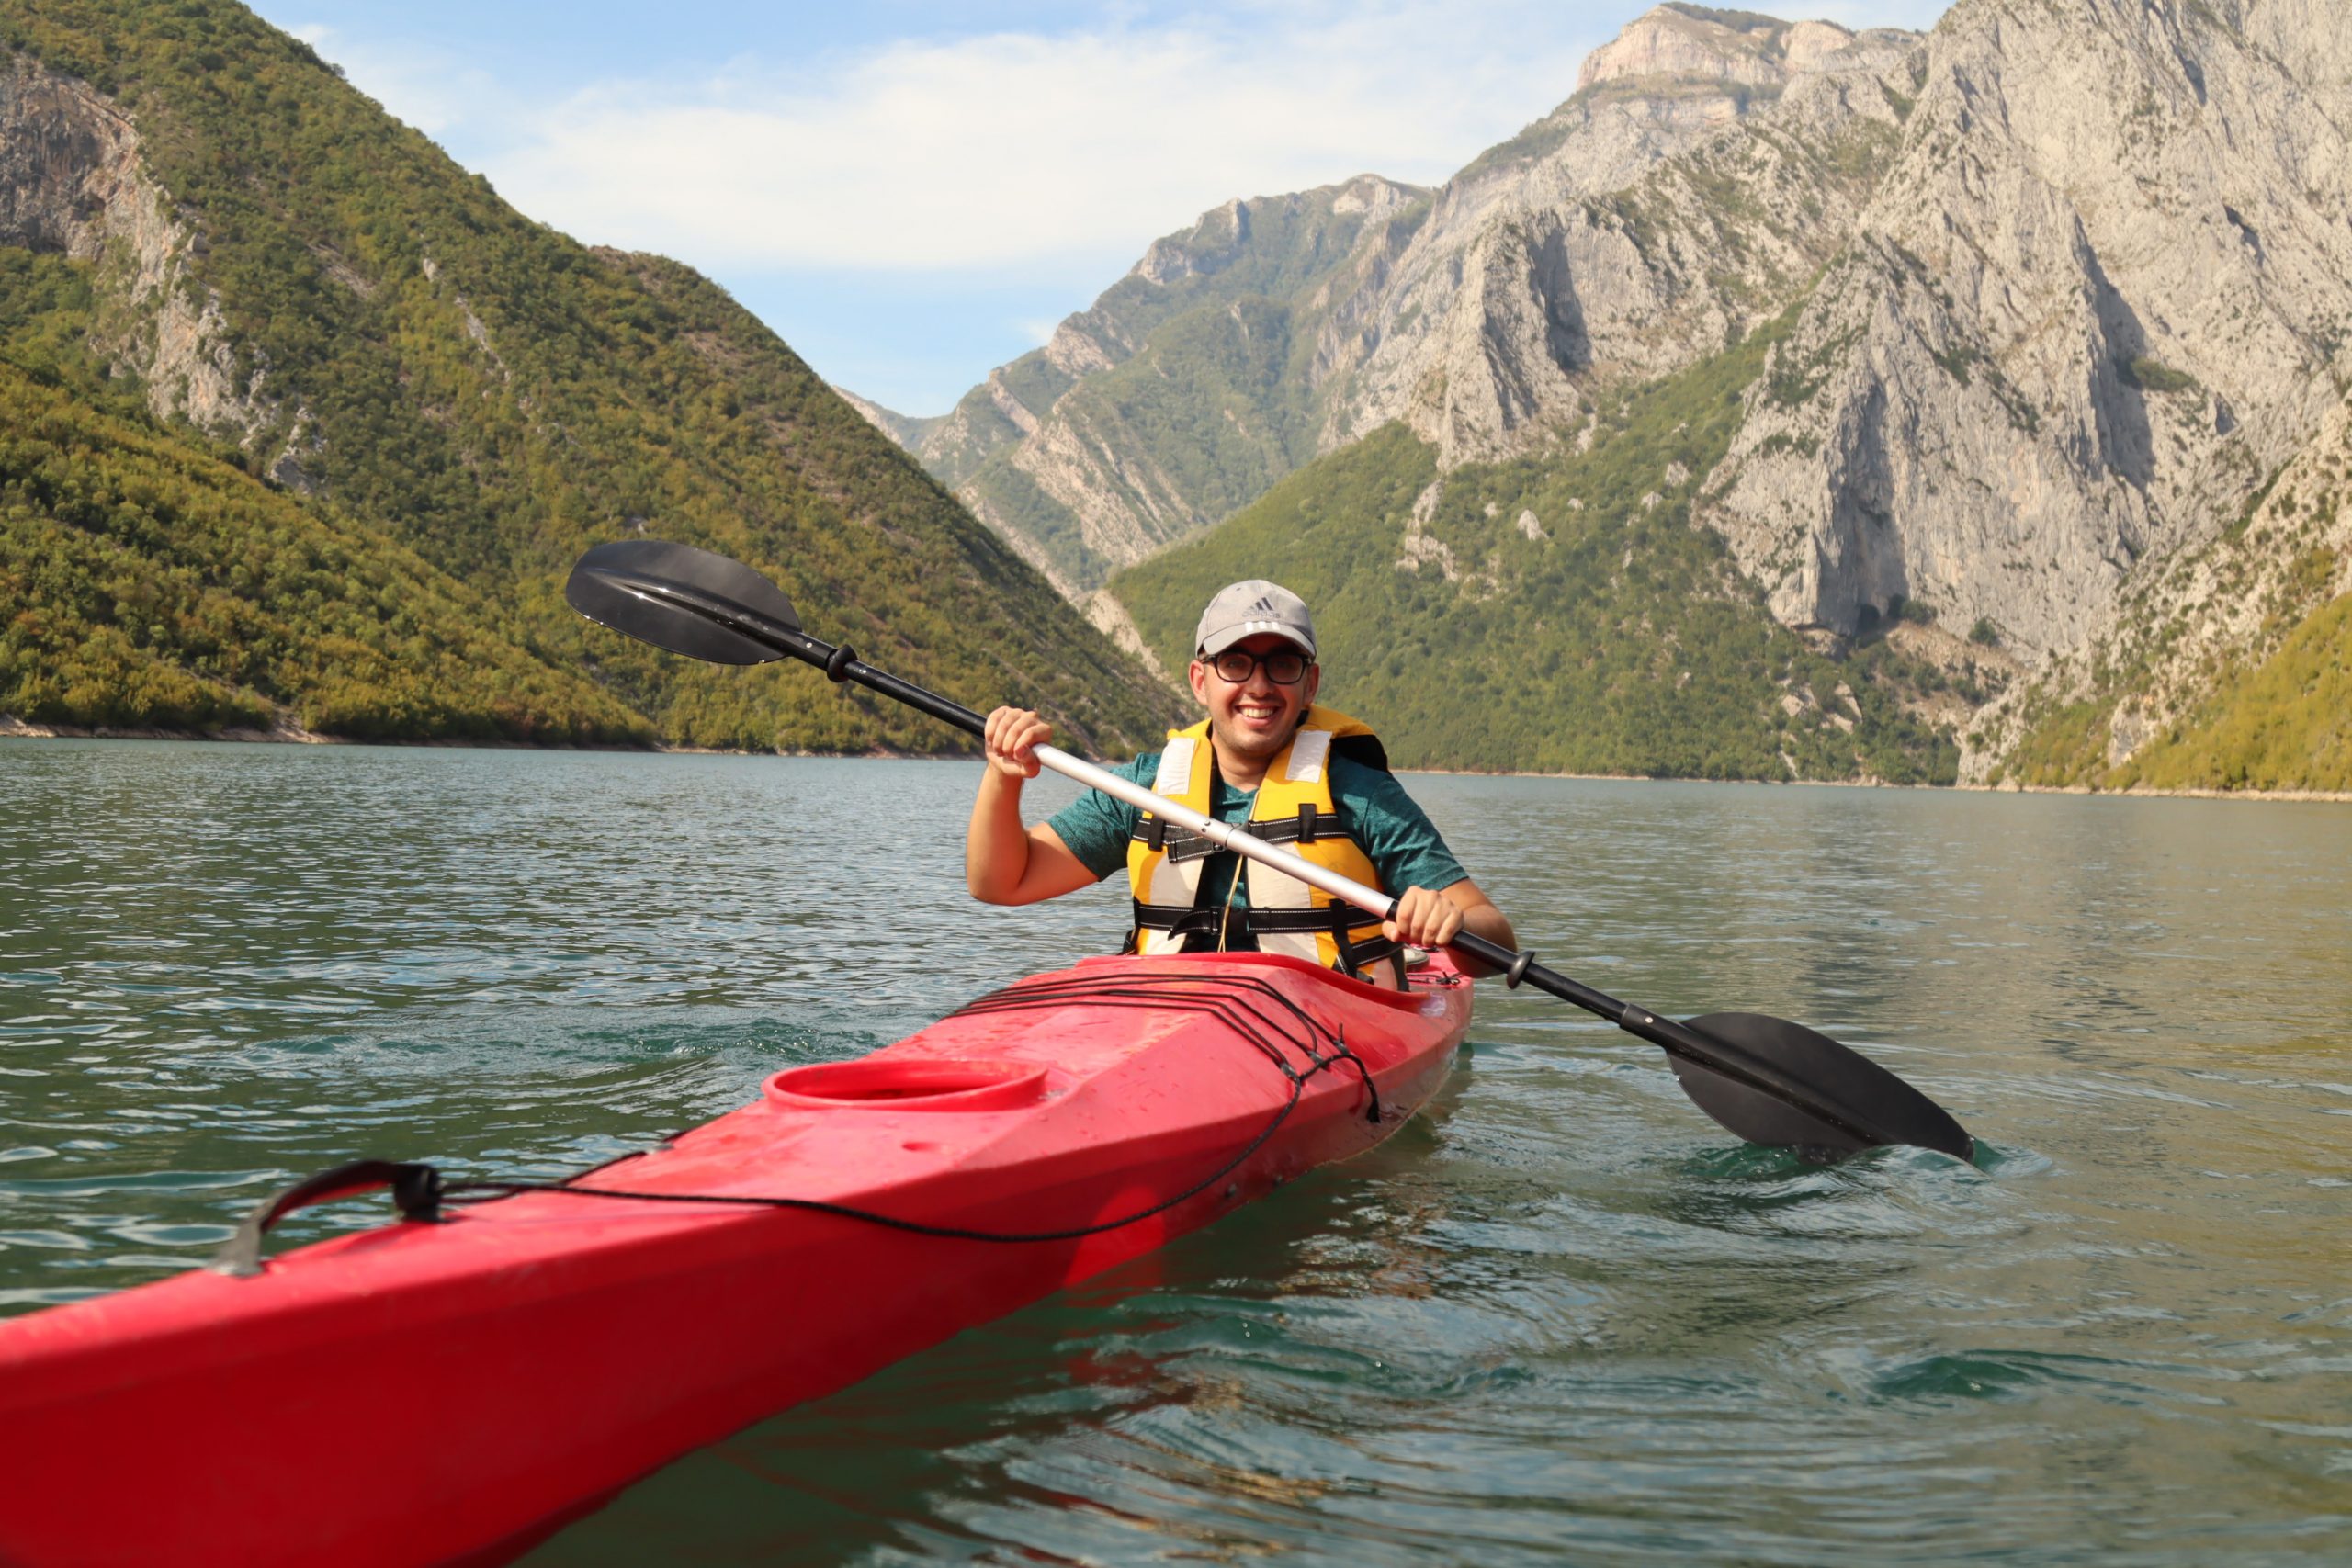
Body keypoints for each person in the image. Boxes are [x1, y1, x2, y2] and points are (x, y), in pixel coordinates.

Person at [966, 579, 1515, 983]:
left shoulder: (1360, 793)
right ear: (1200, 680)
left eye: (1282, 665)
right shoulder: (1145, 787)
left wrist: (1449, 921)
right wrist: (1003, 777)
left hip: (1329, 1026)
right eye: (1236, 663)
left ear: (1311, 684)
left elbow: (1492, 934)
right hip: (1165, 1013)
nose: (1259, 686)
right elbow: (1002, 882)